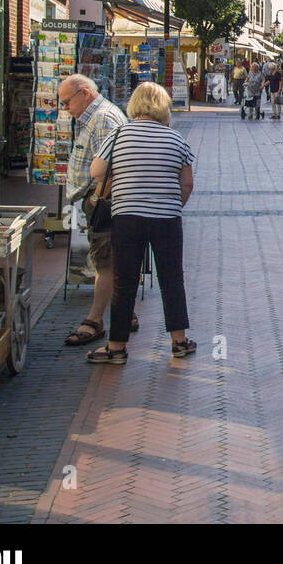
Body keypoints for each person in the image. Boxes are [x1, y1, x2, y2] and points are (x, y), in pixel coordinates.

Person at [85, 82, 195, 364]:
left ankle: (117, 346)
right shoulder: (176, 138)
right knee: (172, 278)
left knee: (124, 281)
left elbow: (97, 170)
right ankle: (179, 341)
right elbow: (187, 182)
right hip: (167, 219)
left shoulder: (119, 134)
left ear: (134, 104)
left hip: (127, 217)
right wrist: (171, 205)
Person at [59, 74, 131, 346]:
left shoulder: (102, 118)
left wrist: (96, 200)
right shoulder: (96, 116)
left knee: (105, 264)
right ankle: (124, 312)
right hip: (99, 199)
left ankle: (95, 320)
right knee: (111, 262)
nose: (66, 109)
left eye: (67, 102)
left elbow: (113, 165)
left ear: (85, 93)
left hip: (102, 202)